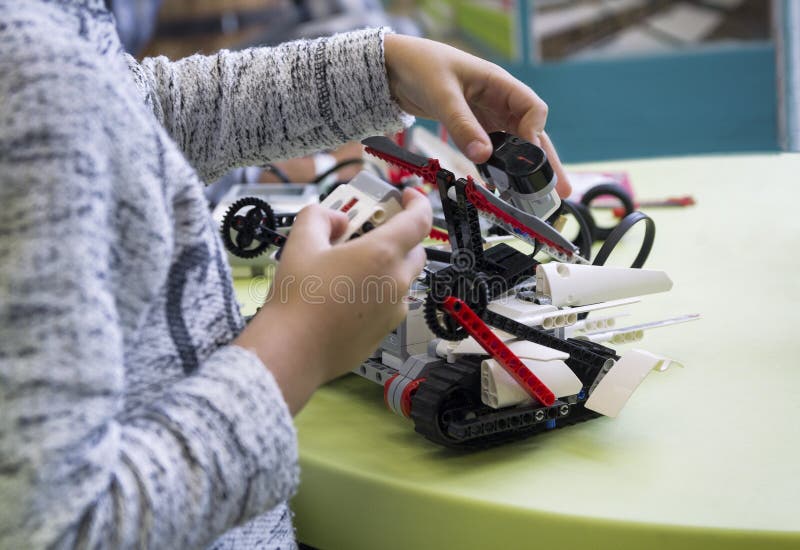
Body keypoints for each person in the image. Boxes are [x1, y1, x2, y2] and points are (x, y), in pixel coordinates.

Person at [0, 0, 571, 548]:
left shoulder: (41, 51)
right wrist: (300, 346)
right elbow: (54, 529)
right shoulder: (31, 73)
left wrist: (380, 71)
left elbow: (132, 111)